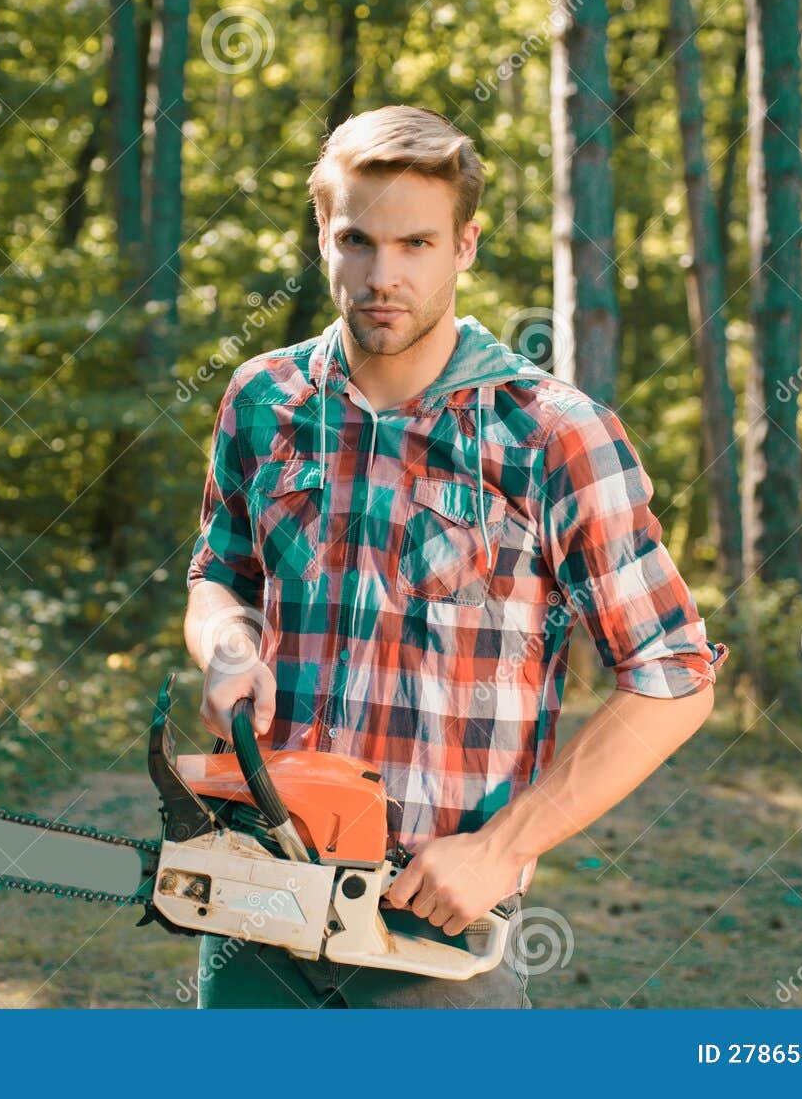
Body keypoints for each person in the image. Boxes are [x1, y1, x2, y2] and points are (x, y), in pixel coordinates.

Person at [182, 104, 728, 1007]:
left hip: (431, 923)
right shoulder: (262, 400)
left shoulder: (552, 433)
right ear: (323, 235)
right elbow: (220, 575)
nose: (382, 275)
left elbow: (674, 675)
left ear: (466, 245)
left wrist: (502, 848)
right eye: (357, 239)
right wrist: (230, 645)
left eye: (417, 244)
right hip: (256, 888)